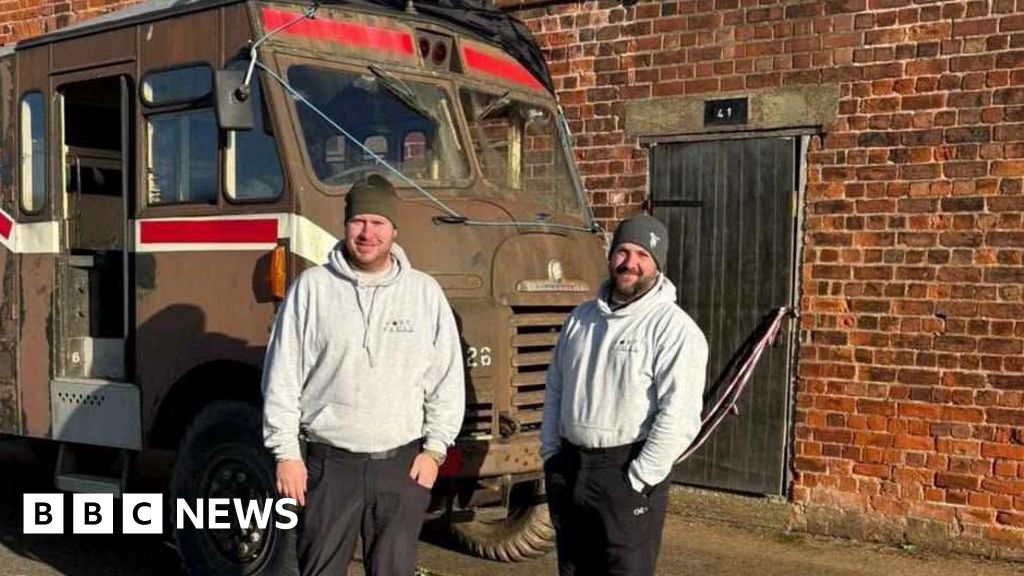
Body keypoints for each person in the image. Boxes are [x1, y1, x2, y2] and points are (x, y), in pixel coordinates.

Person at [261, 176, 465, 576]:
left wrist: (435, 450)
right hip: (329, 467)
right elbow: (281, 376)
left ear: (394, 231)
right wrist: (286, 454)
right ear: (345, 226)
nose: (367, 233)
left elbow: (446, 379)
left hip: (401, 467)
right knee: (319, 569)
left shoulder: (424, 294)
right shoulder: (312, 289)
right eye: (359, 222)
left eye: (377, 223)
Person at [541, 214, 709, 576]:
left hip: (624, 472)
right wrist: (551, 454)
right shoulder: (580, 319)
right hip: (570, 468)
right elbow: (555, 387)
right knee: (572, 568)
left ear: (657, 265)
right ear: (611, 256)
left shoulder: (673, 329)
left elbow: (679, 415)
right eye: (623, 251)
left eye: (642, 255)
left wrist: (638, 479)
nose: (629, 263)